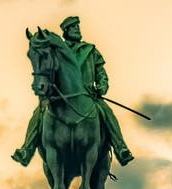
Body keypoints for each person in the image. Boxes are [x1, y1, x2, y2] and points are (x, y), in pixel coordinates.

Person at [12, 16, 134, 167]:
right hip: (61, 96)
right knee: (39, 112)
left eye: (77, 26)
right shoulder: (58, 52)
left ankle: (121, 148)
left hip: (89, 95)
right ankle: (26, 150)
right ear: (65, 31)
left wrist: (101, 87)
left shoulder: (90, 50)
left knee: (106, 112)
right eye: (72, 27)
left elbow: (101, 72)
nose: (77, 29)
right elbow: (49, 70)